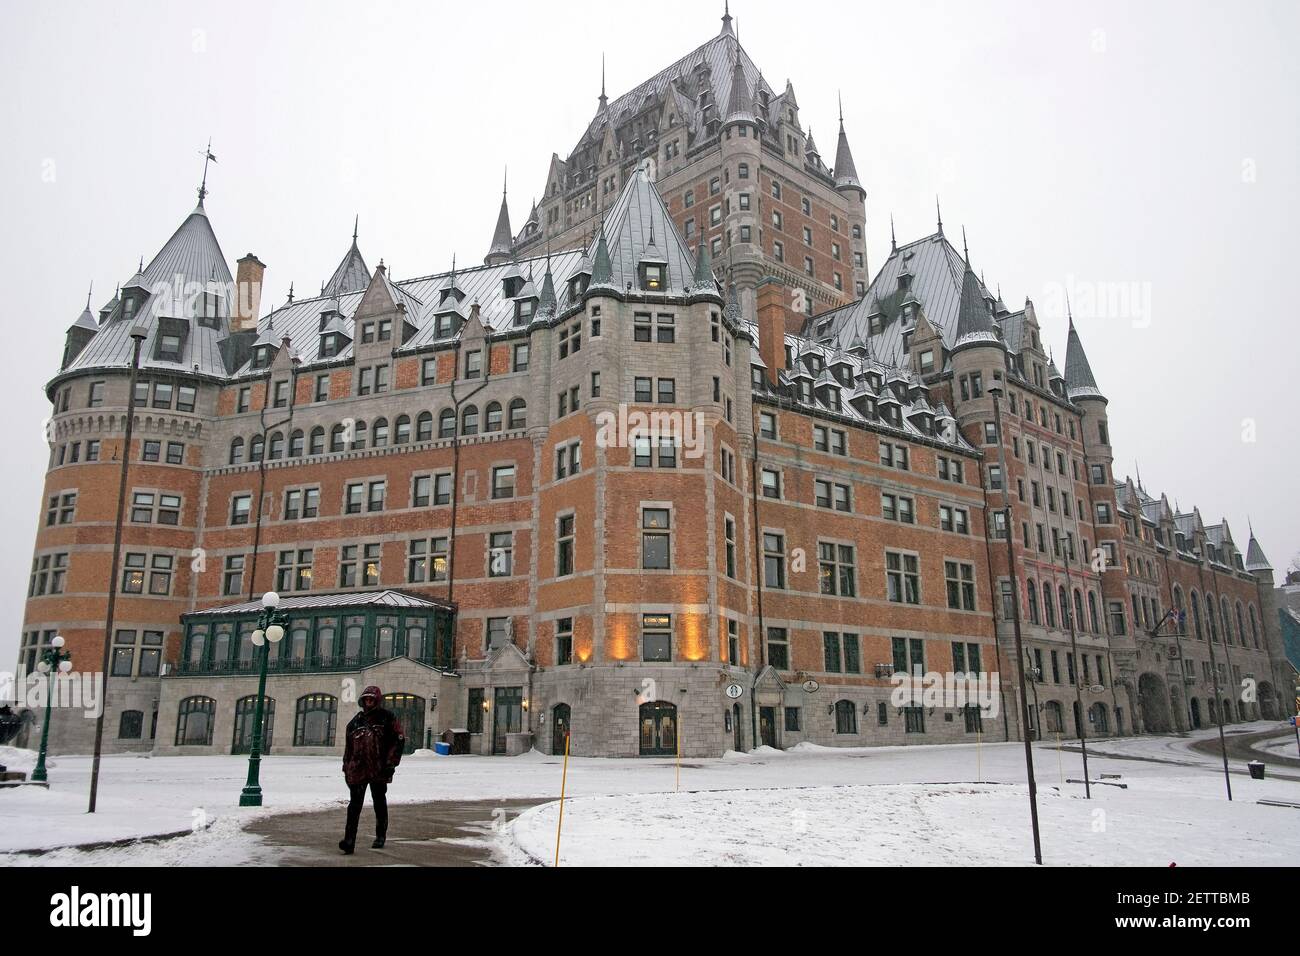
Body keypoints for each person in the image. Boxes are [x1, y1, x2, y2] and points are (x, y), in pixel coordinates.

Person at [339, 685, 404, 853]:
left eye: (371, 699)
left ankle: (380, 835)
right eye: (366, 699)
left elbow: (398, 741)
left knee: (379, 802)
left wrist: (391, 763)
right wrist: (347, 768)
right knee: (354, 806)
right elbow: (349, 749)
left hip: (379, 769)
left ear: (377, 700)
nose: (368, 702)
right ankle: (349, 840)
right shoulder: (354, 723)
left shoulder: (387, 718)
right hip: (358, 769)